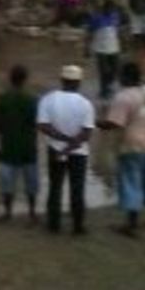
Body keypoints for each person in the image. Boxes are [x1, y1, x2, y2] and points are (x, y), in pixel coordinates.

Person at [100, 61, 145, 237]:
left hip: (131, 145)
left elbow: (114, 123)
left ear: (125, 77)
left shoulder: (123, 97)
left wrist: (94, 122)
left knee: (131, 182)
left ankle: (132, 224)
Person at [37, 64, 96, 235]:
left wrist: (62, 143)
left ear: (62, 80)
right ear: (79, 82)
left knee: (55, 187)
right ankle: (78, 226)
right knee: (77, 189)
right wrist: (71, 144)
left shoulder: (48, 99)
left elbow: (43, 125)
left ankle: (53, 225)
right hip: (79, 153)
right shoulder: (86, 104)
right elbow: (87, 133)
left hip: (55, 150)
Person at [0, 64, 39, 222]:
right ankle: (32, 212)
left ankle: (7, 213)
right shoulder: (32, 100)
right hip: (28, 148)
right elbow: (37, 125)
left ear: (10, 79)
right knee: (31, 182)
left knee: (7, 182)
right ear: (25, 80)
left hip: (8, 148)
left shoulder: (1, 100)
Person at [86, 0, 122, 98]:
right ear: (105, 8)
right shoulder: (96, 18)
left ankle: (108, 86)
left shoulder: (115, 17)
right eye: (110, 9)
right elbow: (89, 33)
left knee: (115, 70)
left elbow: (118, 32)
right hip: (100, 49)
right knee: (104, 71)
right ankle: (103, 90)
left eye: (113, 9)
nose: (111, 11)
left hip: (114, 48)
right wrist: (87, 48)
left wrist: (124, 43)